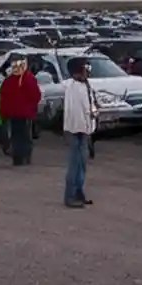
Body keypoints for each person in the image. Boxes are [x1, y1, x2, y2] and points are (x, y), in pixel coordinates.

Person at [61, 58, 96, 208]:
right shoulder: (73, 87)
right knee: (74, 165)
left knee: (82, 164)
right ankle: (70, 196)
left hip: (85, 129)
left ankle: (79, 193)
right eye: (85, 68)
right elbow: (76, 112)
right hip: (76, 130)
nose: (87, 72)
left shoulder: (85, 85)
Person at [0, 56, 42, 166]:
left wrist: (4, 112)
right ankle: (25, 157)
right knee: (25, 136)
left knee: (16, 135)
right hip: (25, 114)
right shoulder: (29, 79)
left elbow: (3, 98)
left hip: (13, 114)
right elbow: (36, 95)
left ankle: (18, 158)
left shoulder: (8, 81)